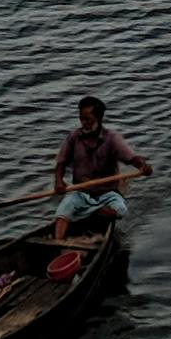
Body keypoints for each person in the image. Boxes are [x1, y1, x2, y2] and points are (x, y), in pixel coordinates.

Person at [48, 93, 150, 234]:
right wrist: (58, 181)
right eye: (82, 119)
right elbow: (61, 163)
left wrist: (142, 167)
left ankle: (93, 211)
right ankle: (58, 243)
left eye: (89, 120)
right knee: (63, 211)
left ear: (99, 119)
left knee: (120, 210)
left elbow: (131, 158)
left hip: (107, 194)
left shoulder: (112, 139)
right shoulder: (73, 138)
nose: (85, 123)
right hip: (81, 192)